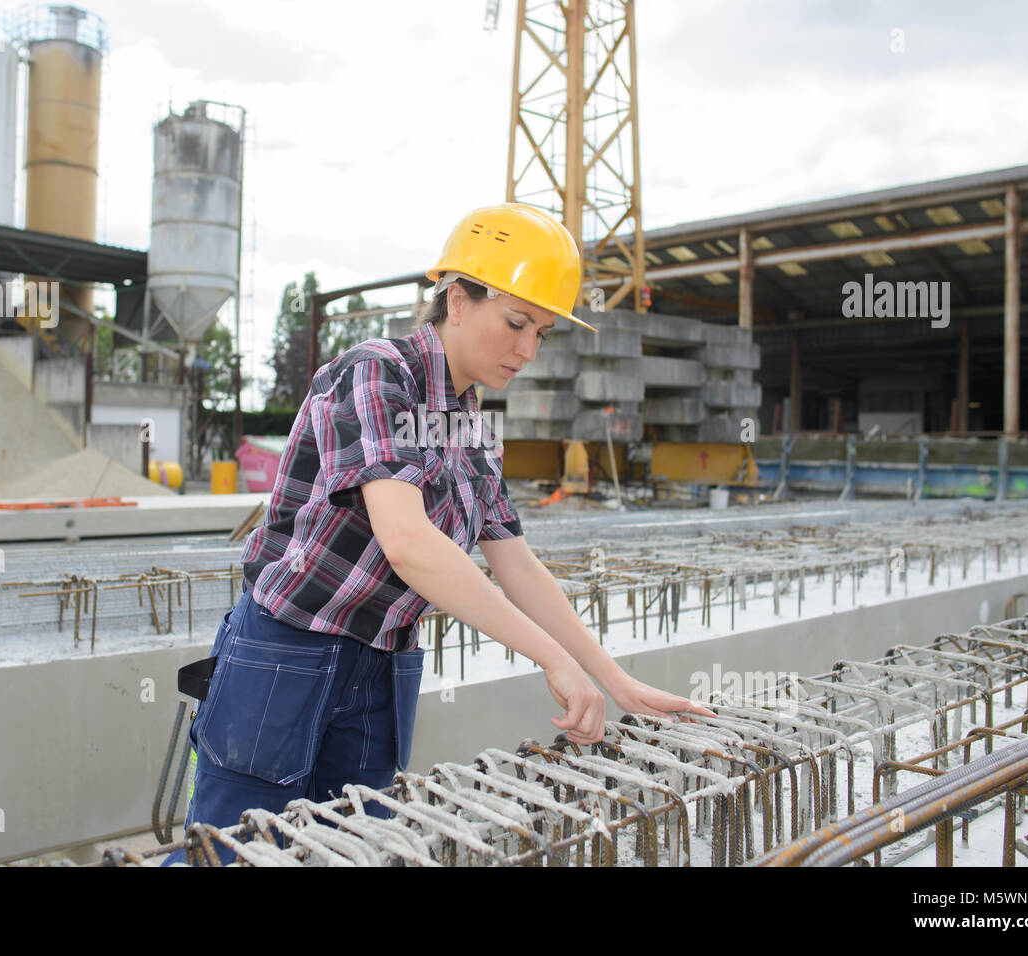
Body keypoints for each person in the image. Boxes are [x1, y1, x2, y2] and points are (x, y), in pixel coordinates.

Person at [163, 202, 713, 865]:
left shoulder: (471, 421)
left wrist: (614, 679)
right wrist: (550, 658)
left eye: (542, 332)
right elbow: (410, 544)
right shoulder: (376, 373)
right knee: (235, 849)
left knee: (351, 848)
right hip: (288, 649)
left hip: (383, 663)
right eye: (516, 323)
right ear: (458, 299)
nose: (528, 350)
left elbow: (517, 565)